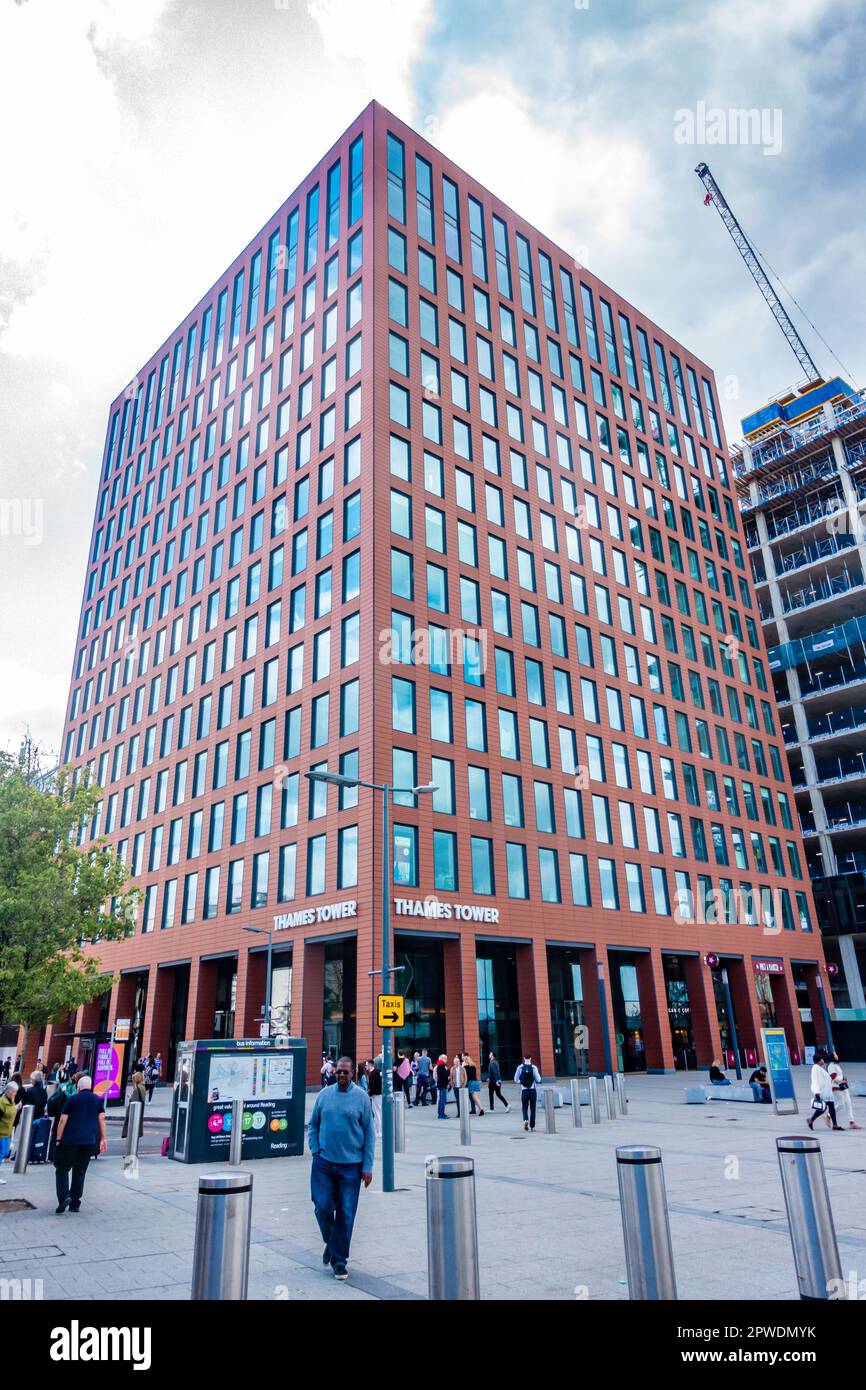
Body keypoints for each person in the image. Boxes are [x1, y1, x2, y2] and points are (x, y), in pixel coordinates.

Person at [307, 1055, 374, 1281]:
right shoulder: (324, 1095)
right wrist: (315, 1149)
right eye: (338, 1072)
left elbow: (370, 1134)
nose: (342, 1075)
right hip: (324, 1163)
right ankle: (333, 1243)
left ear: (353, 1072)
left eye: (346, 1072)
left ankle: (339, 1260)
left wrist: (367, 1167)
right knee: (322, 1207)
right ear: (334, 1073)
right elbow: (313, 1123)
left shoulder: (361, 1098)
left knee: (346, 1214)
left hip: (351, 1167)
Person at [53, 1075, 107, 1212]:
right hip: (88, 1142)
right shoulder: (97, 1100)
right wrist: (103, 1138)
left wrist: (58, 1139)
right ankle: (75, 1202)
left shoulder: (72, 1099)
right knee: (80, 1171)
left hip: (70, 1140)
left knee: (62, 1168)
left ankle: (64, 1196)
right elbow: (102, 1120)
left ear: (79, 1087)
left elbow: (62, 1121)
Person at [807, 1051, 843, 1132]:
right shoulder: (815, 1068)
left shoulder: (820, 1068)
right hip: (822, 1092)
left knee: (831, 1108)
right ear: (819, 1060)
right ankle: (811, 1120)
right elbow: (815, 1081)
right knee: (822, 1108)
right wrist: (816, 1092)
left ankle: (835, 1125)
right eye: (822, 1059)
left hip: (827, 1092)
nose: (823, 1060)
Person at [828, 1053, 861, 1130]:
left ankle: (852, 1122)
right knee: (841, 1104)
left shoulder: (836, 1065)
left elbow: (839, 1076)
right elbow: (834, 1078)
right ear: (832, 1057)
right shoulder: (831, 1066)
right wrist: (842, 1077)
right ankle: (828, 1115)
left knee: (848, 1103)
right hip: (836, 1087)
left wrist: (843, 1078)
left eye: (836, 1054)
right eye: (835, 1055)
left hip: (843, 1086)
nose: (837, 1055)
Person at [515, 1053, 541, 1132]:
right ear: (530, 1058)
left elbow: (515, 1080)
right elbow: (538, 1079)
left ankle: (525, 1119)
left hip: (524, 1090)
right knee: (533, 1108)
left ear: (524, 1058)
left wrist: (521, 1081)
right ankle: (532, 1126)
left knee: (524, 1107)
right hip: (532, 1090)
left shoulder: (520, 1067)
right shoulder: (533, 1068)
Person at [0, 1083, 19, 1184]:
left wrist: (16, 1107)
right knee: (1, 1154)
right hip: (1, 1134)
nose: (15, 1094)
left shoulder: (10, 1100)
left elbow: (11, 1111)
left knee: (5, 1153)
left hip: (7, 1133)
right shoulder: (1, 1103)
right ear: (8, 1091)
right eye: (14, 1092)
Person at [122, 1071, 147, 1138]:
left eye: (134, 1079)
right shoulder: (143, 1087)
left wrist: (130, 1097)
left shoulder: (137, 1089)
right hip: (140, 1111)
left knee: (131, 1127)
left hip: (134, 1112)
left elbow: (134, 1102)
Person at [366, 1060, 382, 1137]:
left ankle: (378, 1131)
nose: (366, 1067)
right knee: (377, 1113)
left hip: (376, 1095)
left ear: (370, 1065)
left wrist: (369, 1094)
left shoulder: (372, 1074)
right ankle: (377, 1130)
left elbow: (372, 1087)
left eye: (366, 1065)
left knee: (377, 1113)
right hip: (378, 1094)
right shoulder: (377, 1071)